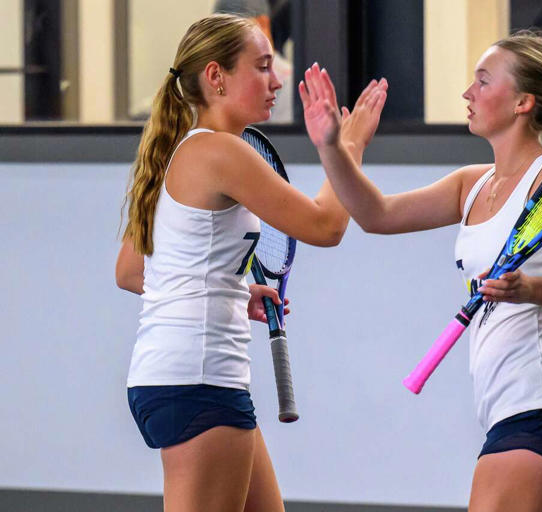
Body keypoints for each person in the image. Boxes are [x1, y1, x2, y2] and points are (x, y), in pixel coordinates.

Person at [303, 29, 542, 512]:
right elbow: (375, 215)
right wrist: (332, 146)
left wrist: (532, 288)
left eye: (483, 81)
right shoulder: (471, 184)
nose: (467, 93)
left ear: (522, 102)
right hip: (506, 410)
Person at [115, 14, 387, 512]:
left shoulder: (177, 150)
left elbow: (132, 271)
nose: (276, 80)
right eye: (262, 67)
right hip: (200, 383)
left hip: (171, 379)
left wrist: (233, 293)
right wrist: (347, 144)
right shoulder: (222, 152)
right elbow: (326, 226)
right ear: (215, 76)